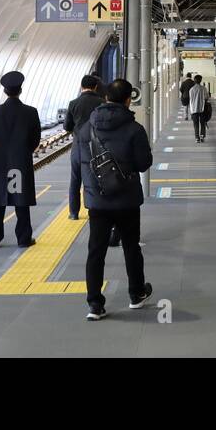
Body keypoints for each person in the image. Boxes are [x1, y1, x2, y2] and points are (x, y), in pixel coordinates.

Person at [72, 78, 153, 321]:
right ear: (129, 99)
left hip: (97, 201)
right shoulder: (134, 129)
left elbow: (77, 162)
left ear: (106, 97)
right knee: (131, 247)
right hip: (126, 199)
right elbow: (143, 163)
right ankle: (136, 293)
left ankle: (95, 304)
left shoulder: (86, 129)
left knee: (95, 251)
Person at [0, 70, 43, 248]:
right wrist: (23, 152)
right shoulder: (31, 112)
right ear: (21, 90)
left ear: (4, 91)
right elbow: (35, 140)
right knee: (21, 200)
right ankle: (24, 239)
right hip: (20, 163)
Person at [62, 74, 104, 219]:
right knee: (96, 178)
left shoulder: (73, 103)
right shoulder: (101, 102)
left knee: (75, 179)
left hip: (78, 147)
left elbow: (67, 126)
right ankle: (94, 209)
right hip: (95, 147)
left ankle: (73, 213)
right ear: (96, 87)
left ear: (81, 86)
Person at [189, 73, 209, 143]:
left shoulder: (191, 89)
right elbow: (207, 98)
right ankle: (202, 136)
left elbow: (190, 100)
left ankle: (197, 138)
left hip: (194, 109)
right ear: (200, 80)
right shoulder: (204, 88)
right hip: (202, 108)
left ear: (194, 80)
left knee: (195, 124)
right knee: (202, 123)